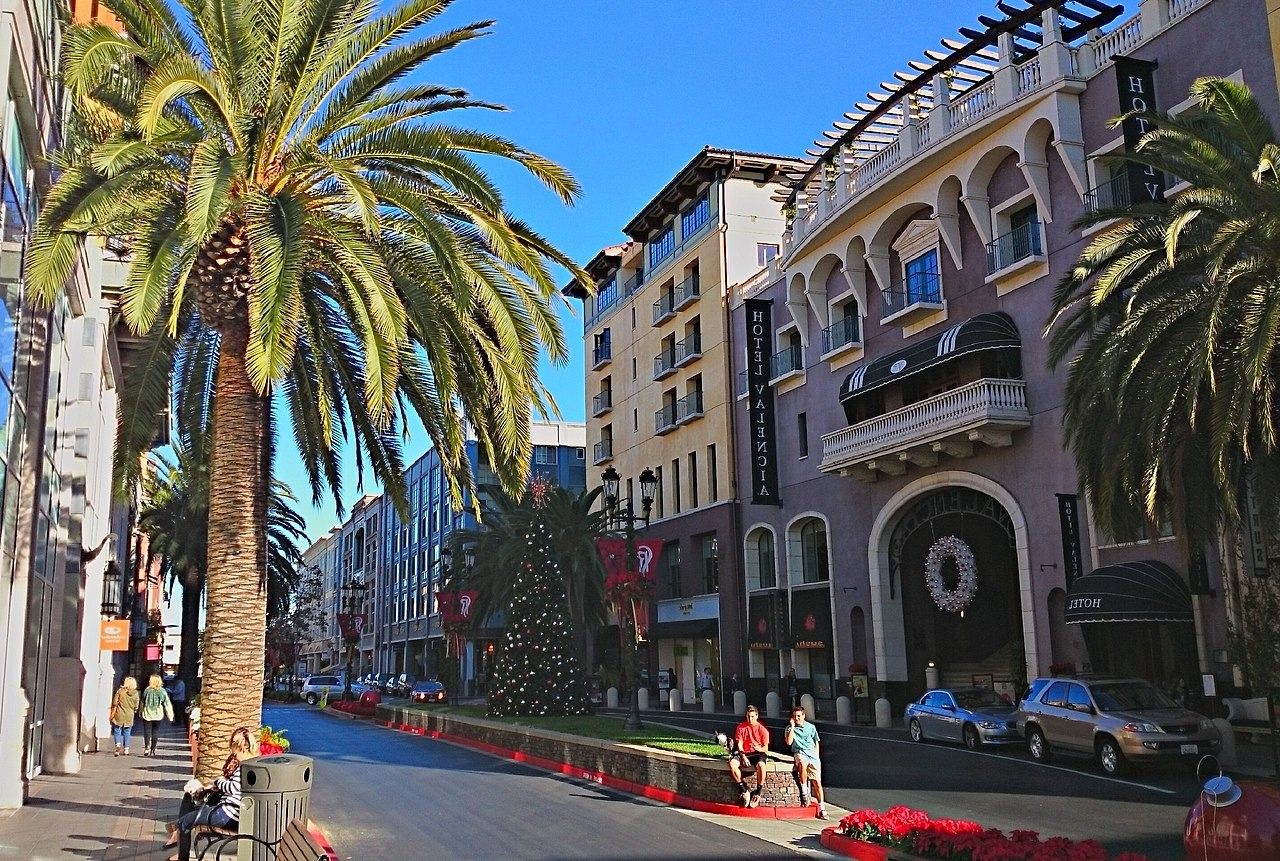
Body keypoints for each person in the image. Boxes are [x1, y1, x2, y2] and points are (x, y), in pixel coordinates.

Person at [164, 727, 254, 861]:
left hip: (225, 815)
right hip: (226, 812)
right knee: (189, 798)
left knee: (184, 822)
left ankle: (180, 847)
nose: (233, 754)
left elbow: (234, 788)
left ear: (241, 748)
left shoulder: (245, 767)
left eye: (234, 751)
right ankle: (177, 829)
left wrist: (218, 782)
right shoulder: (249, 765)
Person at [784, 705, 826, 820]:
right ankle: (804, 792)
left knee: (817, 782)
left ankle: (822, 808)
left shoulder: (811, 727)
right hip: (800, 752)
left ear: (803, 716)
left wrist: (816, 755)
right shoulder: (789, 728)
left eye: (798, 716)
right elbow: (788, 742)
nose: (796, 718)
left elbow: (816, 741)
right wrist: (792, 727)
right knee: (802, 763)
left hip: (812, 754)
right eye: (794, 716)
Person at [727, 705, 771, 808]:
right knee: (732, 764)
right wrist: (743, 756)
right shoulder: (741, 727)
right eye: (748, 716)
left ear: (756, 716)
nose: (750, 719)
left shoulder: (763, 730)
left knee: (761, 765)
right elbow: (740, 744)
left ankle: (758, 792)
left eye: (752, 716)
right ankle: (744, 791)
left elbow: (766, 748)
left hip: (757, 753)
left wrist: (759, 748)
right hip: (744, 753)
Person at [140, 674, 175, 757]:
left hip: (147, 714)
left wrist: (140, 712)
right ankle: (153, 749)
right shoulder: (162, 691)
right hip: (158, 714)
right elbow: (167, 703)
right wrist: (170, 715)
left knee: (147, 732)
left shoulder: (147, 690)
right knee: (155, 732)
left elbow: (142, 702)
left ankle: (146, 747)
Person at [109, 677, 140, 756]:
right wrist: (135, 709)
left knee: (117, 730)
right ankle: (126, 749)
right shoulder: (136, 693)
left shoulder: (120, 691)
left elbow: (115, 702)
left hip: (119, 713)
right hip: (129, 715)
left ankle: (117, 745)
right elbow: (136, 705)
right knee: (127, 732)